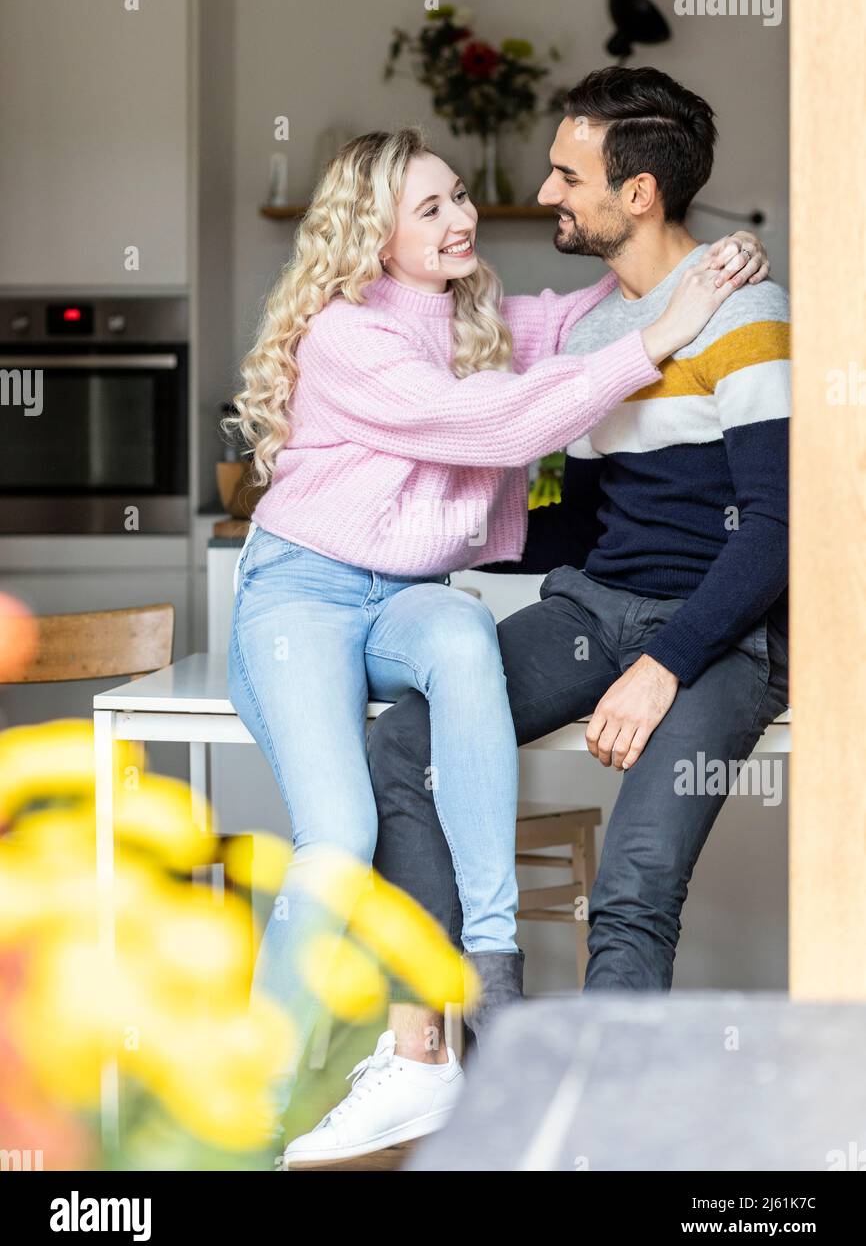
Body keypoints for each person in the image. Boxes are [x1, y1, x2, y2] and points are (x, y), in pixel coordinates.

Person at [229, 123, 767, 1168]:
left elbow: (597, 308)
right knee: (336, 834)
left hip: (404, 596)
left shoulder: (479, 316)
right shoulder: (350, 336)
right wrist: (660, 334)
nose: (461, 216)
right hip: (302, 589)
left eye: (459, 197)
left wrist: (713, 261)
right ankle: (254, 1097)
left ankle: (494, 969)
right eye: (427, 208)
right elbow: (498, 430)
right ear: (369, 236)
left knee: (466, 633)